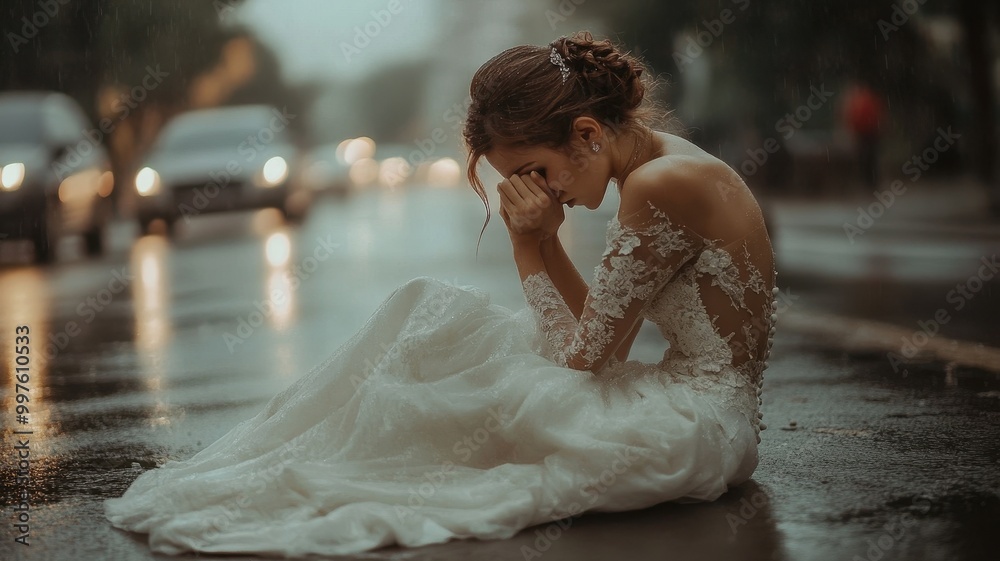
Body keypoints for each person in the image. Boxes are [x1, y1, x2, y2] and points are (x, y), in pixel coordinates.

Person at [105, 32, 778, 556]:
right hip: (694, 406)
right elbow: (604, 339)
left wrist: (527, 244)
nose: (540, 192)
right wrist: (543, 240)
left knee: (472, 365)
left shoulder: (658, 187)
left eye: (534, 172)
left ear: (587, 133)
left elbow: (586, 357)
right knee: (445, 324)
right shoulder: (664, 158)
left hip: (698, 426)